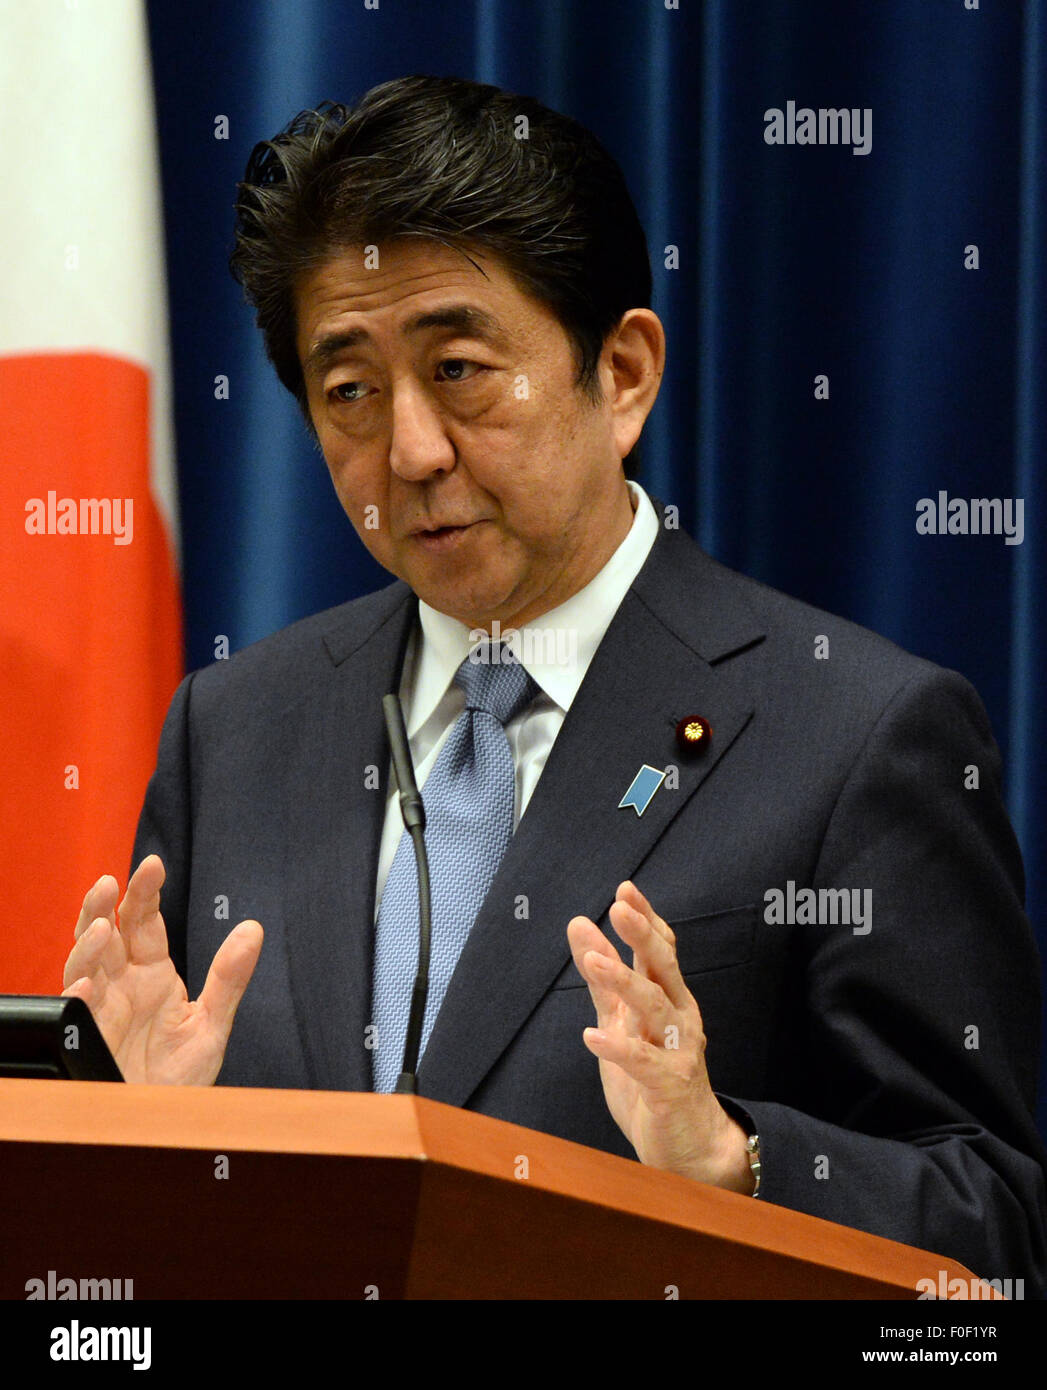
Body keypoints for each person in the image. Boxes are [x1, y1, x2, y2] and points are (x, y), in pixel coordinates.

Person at [62, 75, 1046, 1290]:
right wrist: (136, 1141)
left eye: (462, 369)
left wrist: (730, 1159)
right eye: (351, 391)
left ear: (622, 374)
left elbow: (995, 1237)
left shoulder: (855, 731)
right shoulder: (237, 726)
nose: (411, 450)